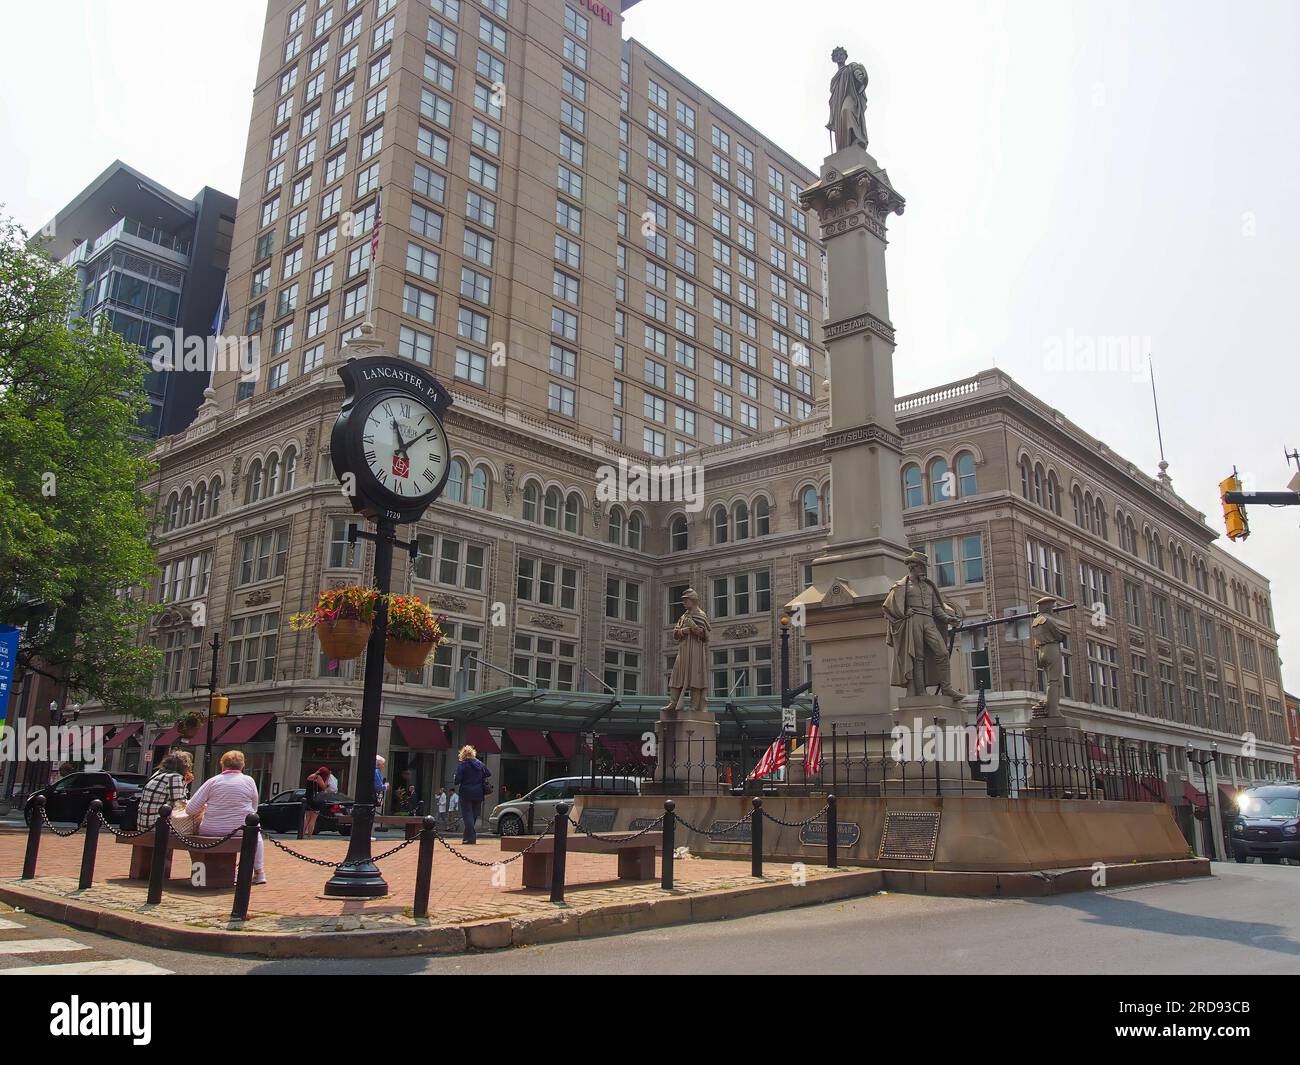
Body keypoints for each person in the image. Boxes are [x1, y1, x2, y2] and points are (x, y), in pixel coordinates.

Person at [187, 750, 265, 884]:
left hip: (212, 829)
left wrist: (205, 807)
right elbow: (254, 809)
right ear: (242, 766)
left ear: (222, 765)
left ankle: (199, 876)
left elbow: (191, 809)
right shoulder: (249, 781)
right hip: (241, 830)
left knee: (194, 837)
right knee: (256, 834)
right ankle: (259, 872)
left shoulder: (213, 781)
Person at [137, 751, 193, 830]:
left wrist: (184, 782)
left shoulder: (158, 773)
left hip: (143, 825)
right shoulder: (174, 777)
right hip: (158, 827)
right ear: (184, 766)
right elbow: (180, 804)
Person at [452, 745, 492, 844]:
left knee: (467, 815)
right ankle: (467, 837)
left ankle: (471, 837)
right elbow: (488, 773)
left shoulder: (462, 765)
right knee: (473, 815)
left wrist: (455, 777)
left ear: (462, 754)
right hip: (478, 793)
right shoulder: (479, 764)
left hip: (466, 792)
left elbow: (457, 781)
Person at [303, 765, 331, 837]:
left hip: (308, 799)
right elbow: (324, 787)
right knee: (313, 819)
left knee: (307, 818)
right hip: (316, 800)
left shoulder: (310, 776)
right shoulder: (318, 777)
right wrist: (327, 778)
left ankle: (301, 834)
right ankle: (309, 835)